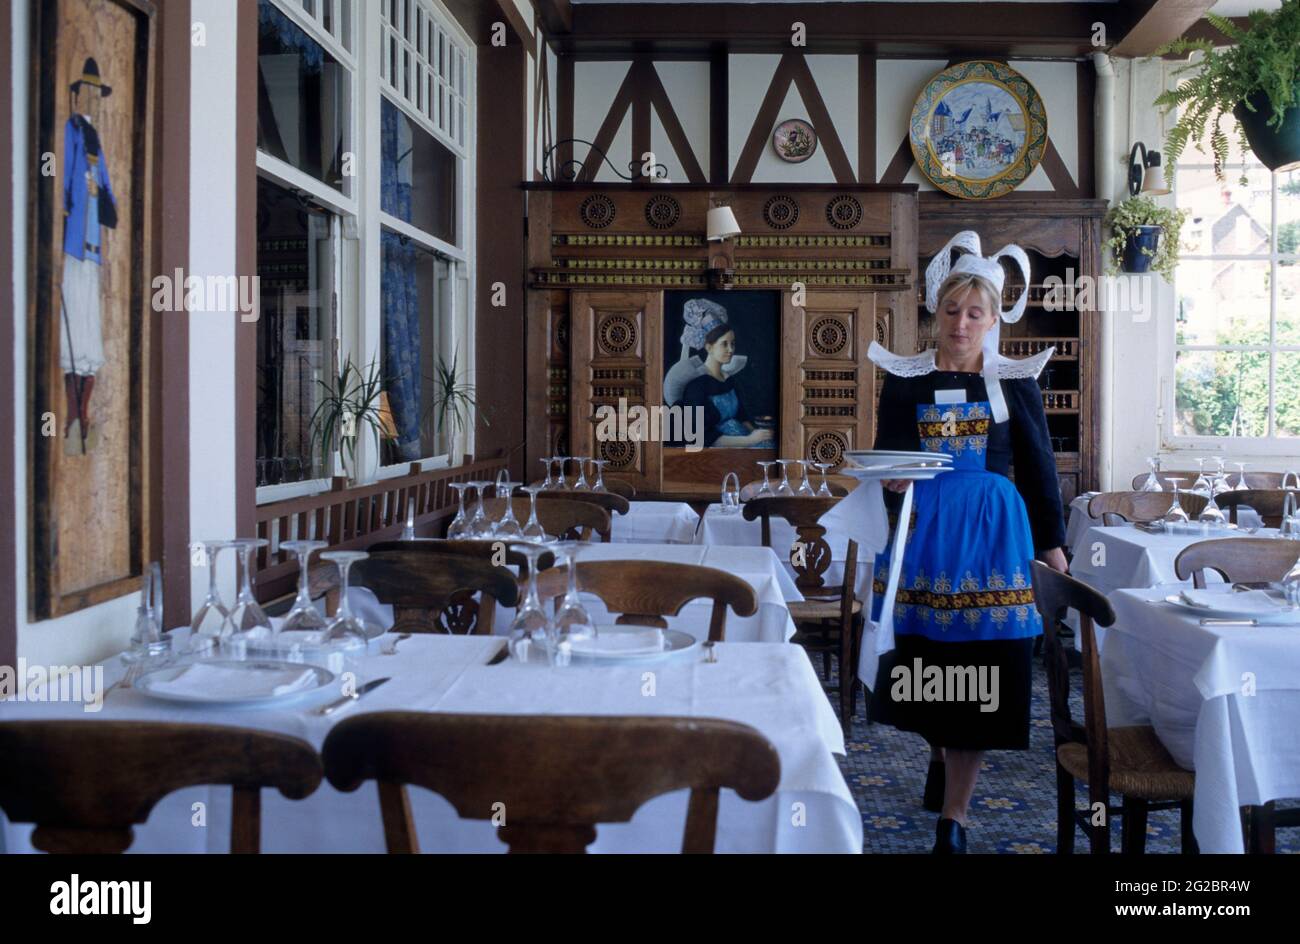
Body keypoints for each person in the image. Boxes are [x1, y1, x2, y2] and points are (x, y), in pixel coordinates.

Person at [866, 230, 1068, 853]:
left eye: (974, 312)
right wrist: (894, 485)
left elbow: (1038, 469)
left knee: (984, 663)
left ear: (993, 317)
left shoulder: (1013, 383)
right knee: (929, 661)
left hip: (992, 537)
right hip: (926, 536)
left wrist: (1053, 546)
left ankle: (955, 815)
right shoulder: (905, 381)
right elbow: (887, 464)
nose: (960, 323)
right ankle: (938, 751)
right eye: (951, 310)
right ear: (935, 310)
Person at [60, 57, 118, 455]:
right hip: (75, 241)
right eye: (89, 93)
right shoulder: (73, 130)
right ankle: (71, 416)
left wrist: (108, 203)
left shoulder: (95, 136)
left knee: (90, 332)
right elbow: (64, 173)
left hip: (93, 245)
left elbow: (106, 181)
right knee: (74, 323)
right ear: (80, 93)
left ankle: (84, 414)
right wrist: (65, 204)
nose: (93, 100)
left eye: (99, 94)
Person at [666, 298, 773, 448]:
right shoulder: (697, 387)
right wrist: (750, 440)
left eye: (732, 344)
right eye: (724, 344)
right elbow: (703, 437)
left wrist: (760, 436)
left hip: (742, 441)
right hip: (718, 452)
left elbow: (742, 417)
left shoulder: (729, 380)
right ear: (709, 347)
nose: (731, 349)